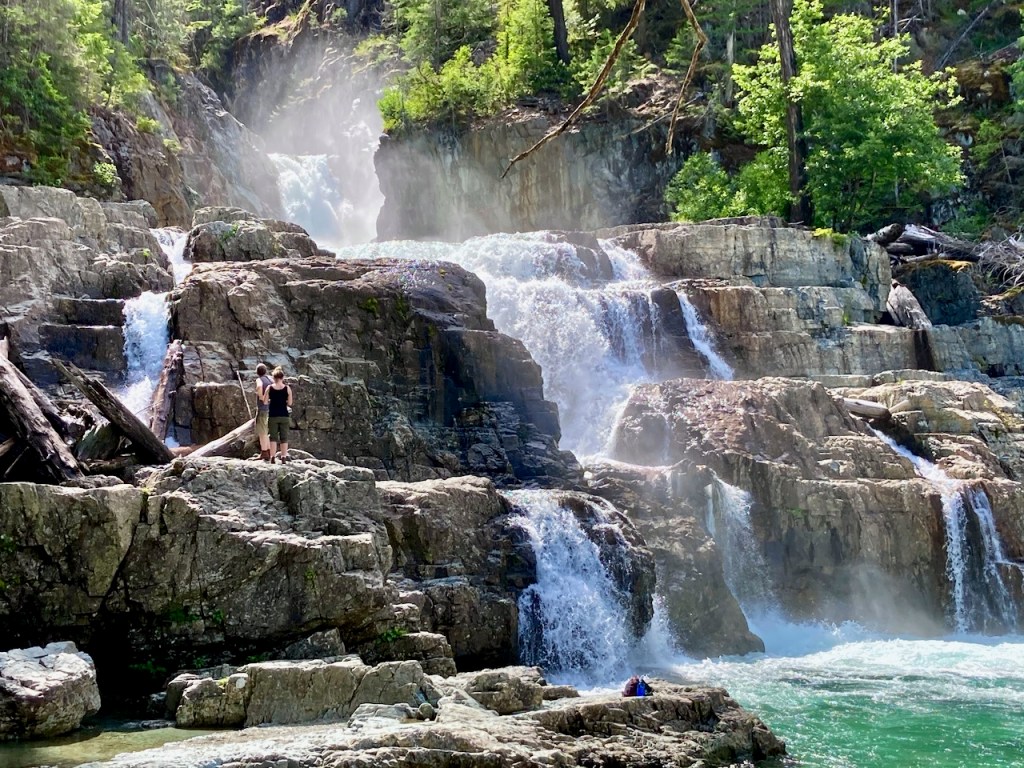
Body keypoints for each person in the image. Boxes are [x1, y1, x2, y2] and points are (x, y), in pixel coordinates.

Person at [264, 366, 293, 463]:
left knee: (273, 437)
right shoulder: (287, 388)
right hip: (284, 415)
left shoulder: (269, 388)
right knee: (284, 437)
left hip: (273, 415)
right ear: (282, 377)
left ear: (273, 378)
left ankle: (272, 457)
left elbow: (265, 402)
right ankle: (283, 457)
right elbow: (290, 403)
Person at [254, 363, 272, 461]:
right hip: (270, 409)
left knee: (262, 432)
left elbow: (259, 386)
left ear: (257, 372)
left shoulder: (259, 380)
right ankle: (268, 451)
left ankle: (264, 453)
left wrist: (261, 396)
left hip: (262, 409)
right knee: (266, 431)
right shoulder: (270, 379)